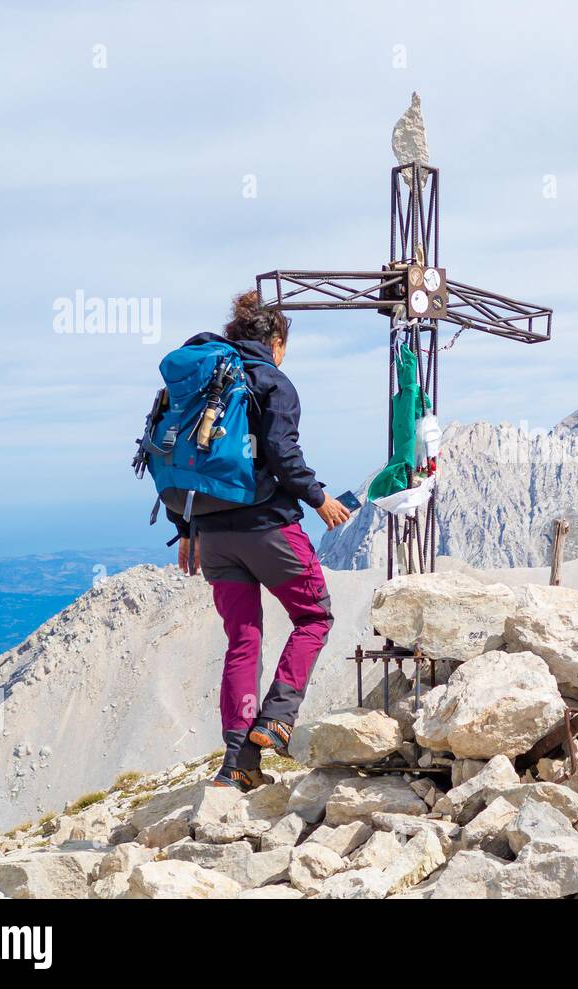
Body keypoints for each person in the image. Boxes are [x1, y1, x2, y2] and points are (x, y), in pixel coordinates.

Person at [171, 290, 350, 791]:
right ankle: (274, 721)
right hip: (269, 528)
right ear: (276, 341)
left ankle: (237, 762)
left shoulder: (204, 382)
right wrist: (318, 499)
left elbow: (176, 458)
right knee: (314, 616)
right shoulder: (273, 382)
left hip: (213, 534)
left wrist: (187, 528)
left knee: (242, 639)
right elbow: (281, 451)